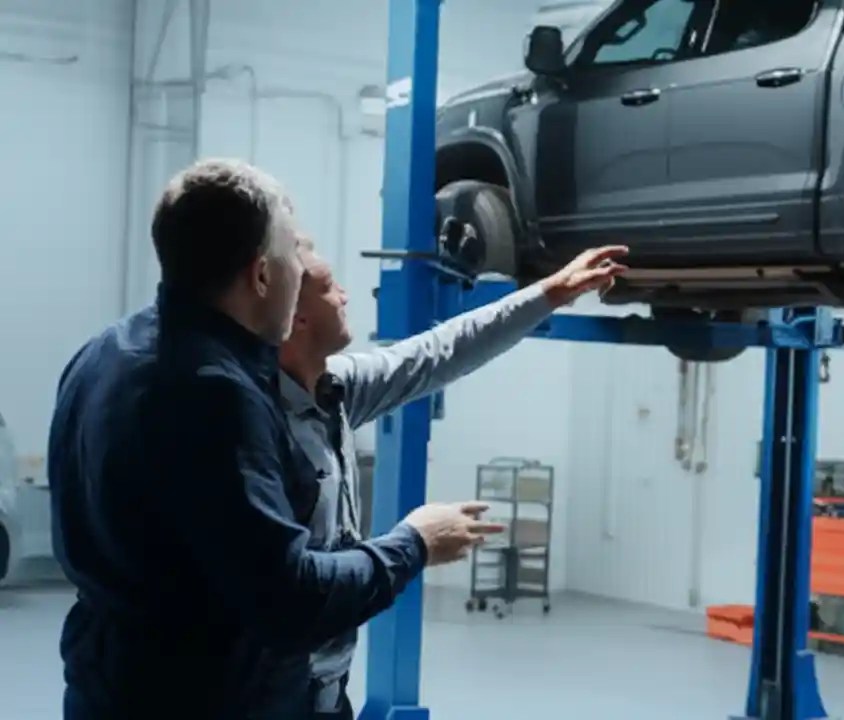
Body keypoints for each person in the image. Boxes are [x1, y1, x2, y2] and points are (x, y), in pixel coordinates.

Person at [46, 158, 504, 719]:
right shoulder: (215, 393)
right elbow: (288, 600)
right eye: (294, 255)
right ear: (262, 276)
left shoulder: (102, 354)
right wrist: (415, 543)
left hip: (106, 688)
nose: (307, 272)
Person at [279, 237, 627, 717]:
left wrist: (550, 292)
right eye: (330, 287)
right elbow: (291, 589)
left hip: (328, 690)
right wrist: (414, 542)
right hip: (270, 694)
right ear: (295, 317)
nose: (345, 295)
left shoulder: (334, 388)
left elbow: (440, 352)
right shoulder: (258, 423)